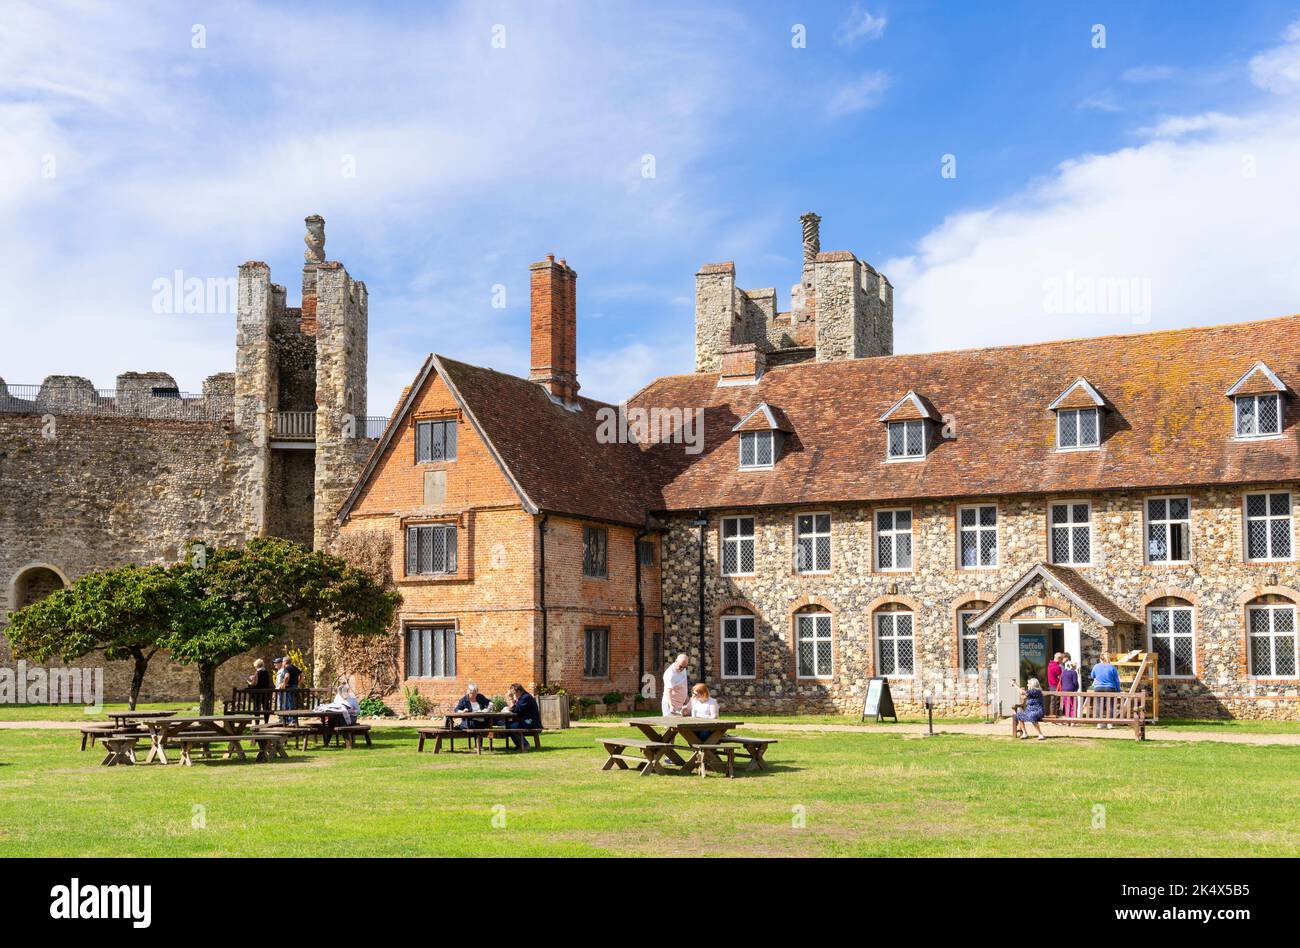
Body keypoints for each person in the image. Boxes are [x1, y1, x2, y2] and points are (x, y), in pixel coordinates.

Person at [503, 683, 541, 750]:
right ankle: (519, 745)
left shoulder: (526, 697)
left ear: (518, 691)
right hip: (526, 720)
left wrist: (511, 699)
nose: (514, 695)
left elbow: (517, 710)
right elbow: (515, 708)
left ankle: (525, 745)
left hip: (531, 721)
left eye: (514, 693)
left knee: (513, 727)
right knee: (508, 726)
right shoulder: (522, 698)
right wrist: (513, 703)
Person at [1090, 652, 1121, 728]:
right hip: (1110, 687)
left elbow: (1092, 675)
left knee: (1099, 705)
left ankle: (1099, 723)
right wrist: (1118, 690)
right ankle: (1110, 723)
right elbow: (1116, 680)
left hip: (1098, 687)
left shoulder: (1096, 666)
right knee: (1110, 705)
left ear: (1100, 658)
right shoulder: (1112, 667)